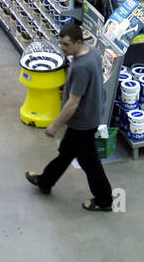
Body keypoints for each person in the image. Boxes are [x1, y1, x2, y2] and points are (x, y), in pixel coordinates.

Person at [25, 23, 114, 213]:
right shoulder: (93, 54)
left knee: (89, 162)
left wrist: (55, 126)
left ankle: (104, 199)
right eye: (61, 44)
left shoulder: (81, 66)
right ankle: (45, 182)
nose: (62, 49)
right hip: (89, 116)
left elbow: (73, 103)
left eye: (66, 45)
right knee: (66, 153)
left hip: (82, 122)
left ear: (78, 42)